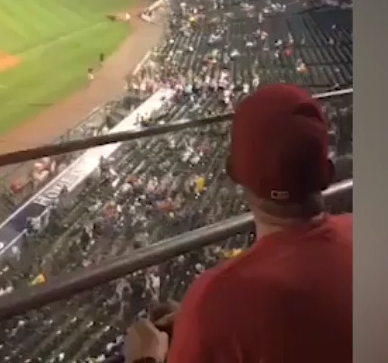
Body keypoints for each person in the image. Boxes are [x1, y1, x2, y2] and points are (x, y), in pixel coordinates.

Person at [124, 84, 352, 363]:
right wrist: (199, 322)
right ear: (327, 172)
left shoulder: (218, 299)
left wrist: (144, 359)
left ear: (234, 172)